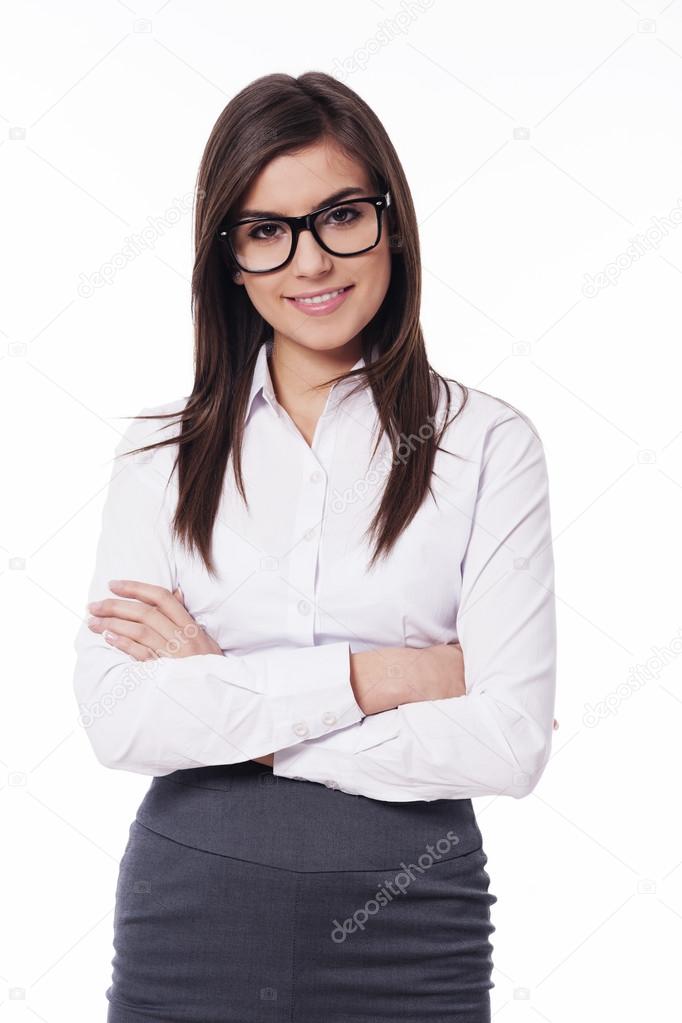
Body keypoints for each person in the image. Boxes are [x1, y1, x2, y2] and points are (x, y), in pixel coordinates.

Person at [73, 70, 557, 1023]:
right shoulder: (160, 455)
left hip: (414, 922)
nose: (311, 262)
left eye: (340, 216)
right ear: (231, 258)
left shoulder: (487, 445)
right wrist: (384, 676)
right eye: (267, 230)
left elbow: (508, 742)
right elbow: (121, 721)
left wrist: (228, 699)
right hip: (192, 914)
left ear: (393, 221)